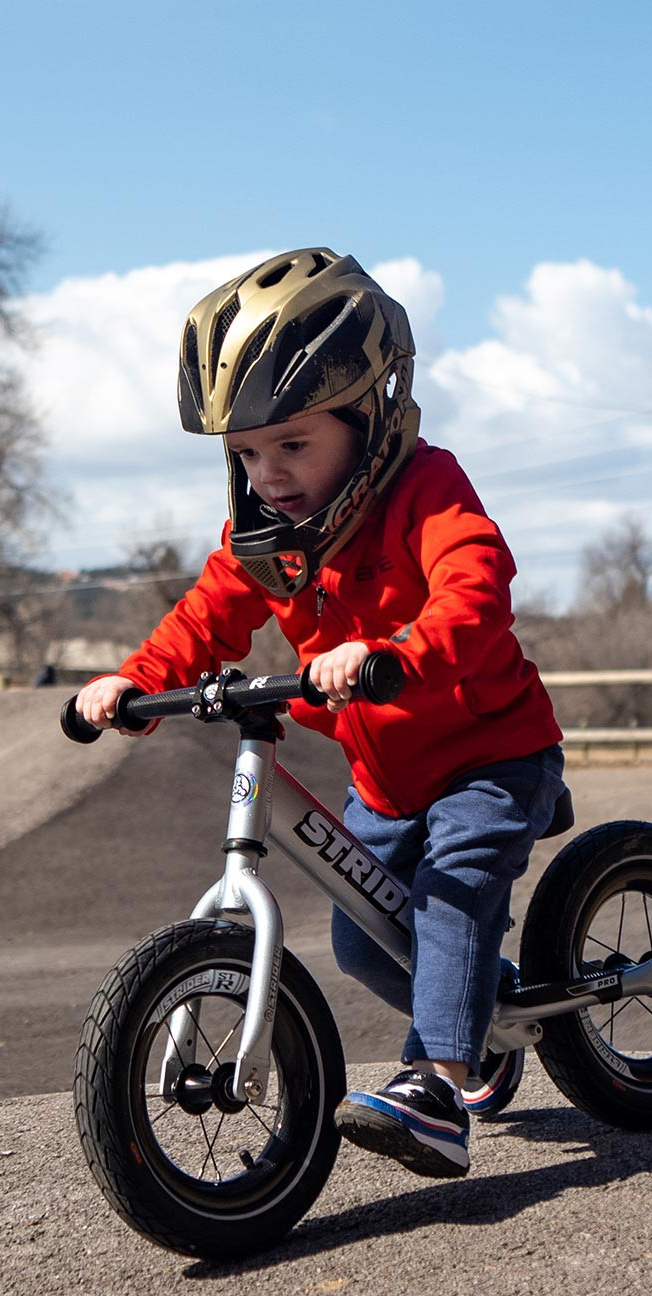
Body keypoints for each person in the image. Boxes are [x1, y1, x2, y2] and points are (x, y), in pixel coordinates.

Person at [76, 247, 564, 1179]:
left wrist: (393, 654)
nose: (269, 473)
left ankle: (438, 1090)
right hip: (386, 779)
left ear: (370, 418)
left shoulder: (426, 489)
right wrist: (132, 685)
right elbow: (206, 616)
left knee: (456, 888)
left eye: (293, 444)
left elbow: (475, 590)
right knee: (362, 937)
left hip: (489, 755)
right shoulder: (266, 540)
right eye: (247, 453)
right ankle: (485, 1023)